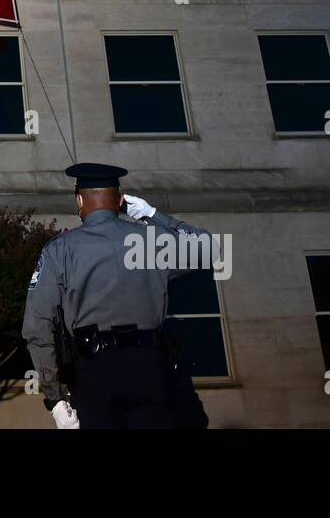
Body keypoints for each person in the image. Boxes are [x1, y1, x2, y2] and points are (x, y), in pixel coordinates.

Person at [21, 163, 215, 429]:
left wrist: (54, 397)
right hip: (150, 367)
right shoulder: (149, 242)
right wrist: (151, 214)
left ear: (79, 200)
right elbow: (210, 248)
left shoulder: (59, 250)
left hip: (94, 372)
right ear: (121, 200)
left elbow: (37, 326)